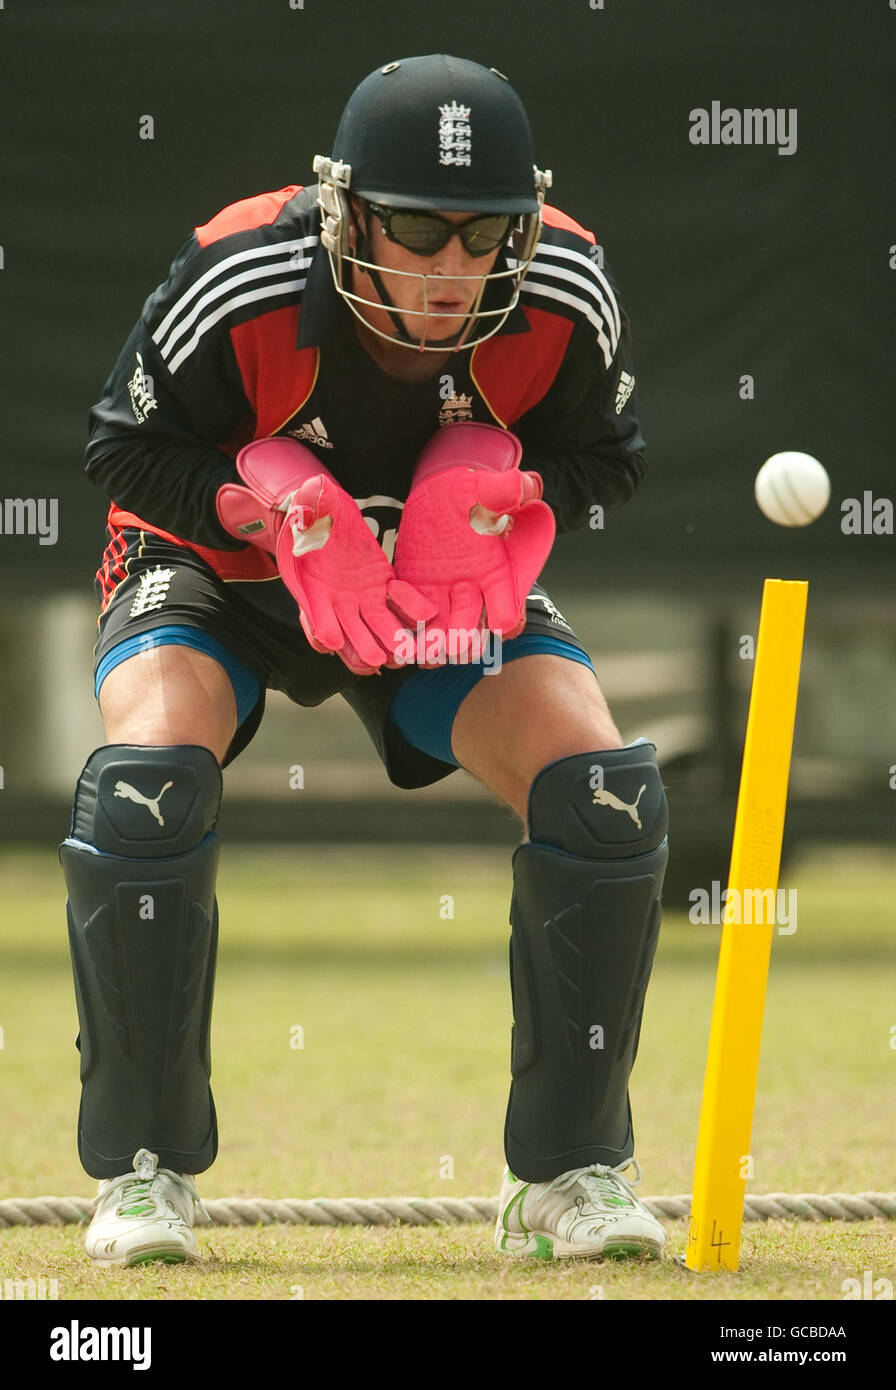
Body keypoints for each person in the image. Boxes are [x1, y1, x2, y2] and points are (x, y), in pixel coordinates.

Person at [61, 53, 669, 1267]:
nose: (450, 270)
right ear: (343, 209)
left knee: (602, 790)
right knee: (143, 783)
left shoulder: (564, 286)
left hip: (431, 582)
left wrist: (503, 489)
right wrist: (263, 508)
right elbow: (120, 445)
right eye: (414, 231)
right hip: (229, 570)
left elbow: (609, 454)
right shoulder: (238, 274)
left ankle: (567, 1172)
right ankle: (146, 1171)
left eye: (484, 235)